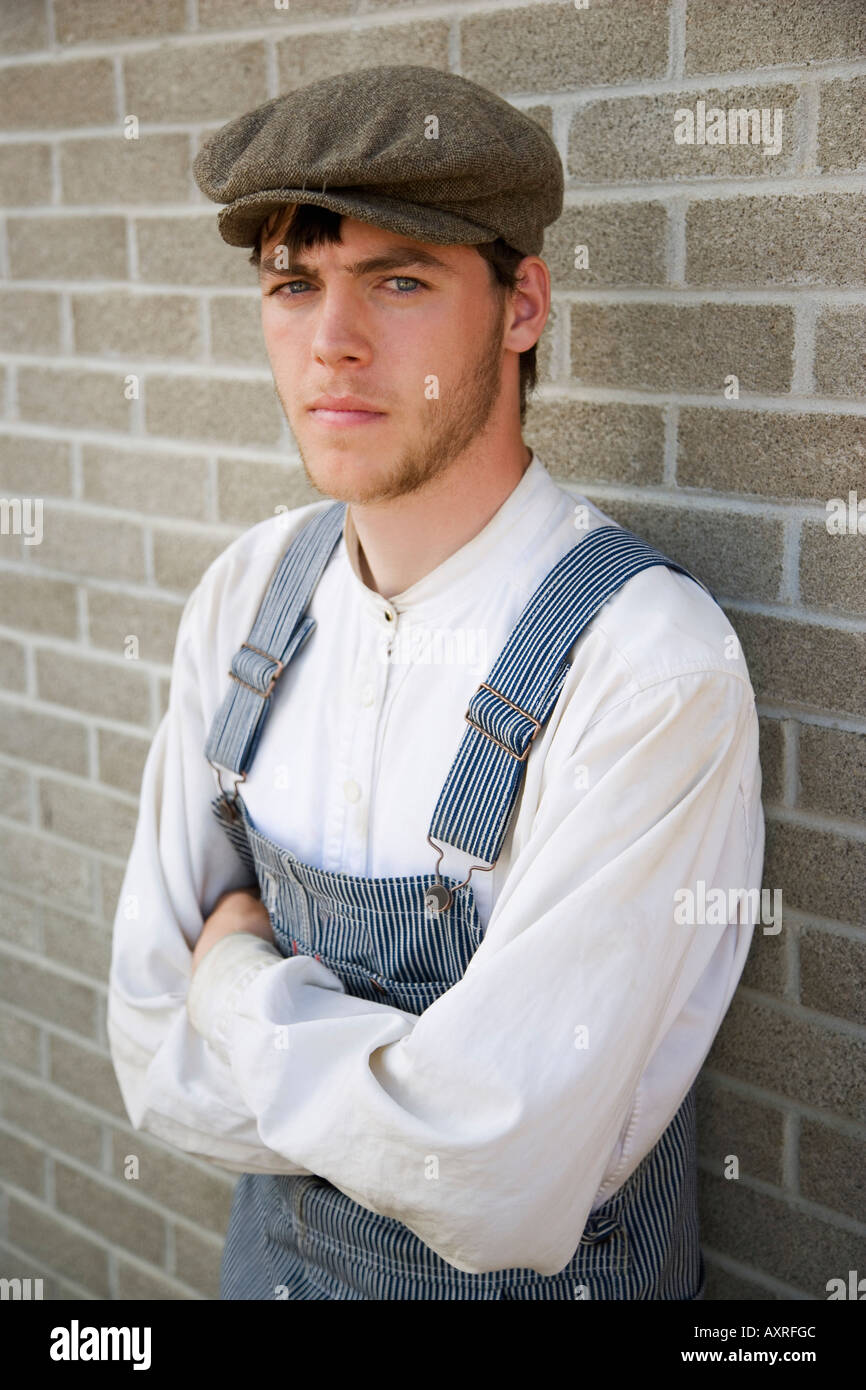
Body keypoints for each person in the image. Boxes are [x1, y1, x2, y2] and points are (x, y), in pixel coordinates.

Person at [107, 64, 764, 1301]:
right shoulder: (249, 595)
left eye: (398, 281)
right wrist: (393, 1101)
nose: (332, 343)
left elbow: (500, 1170)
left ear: (521, 306)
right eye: (292, 285)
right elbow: (152, 1054)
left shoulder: (644, 664)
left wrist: (239, 987)